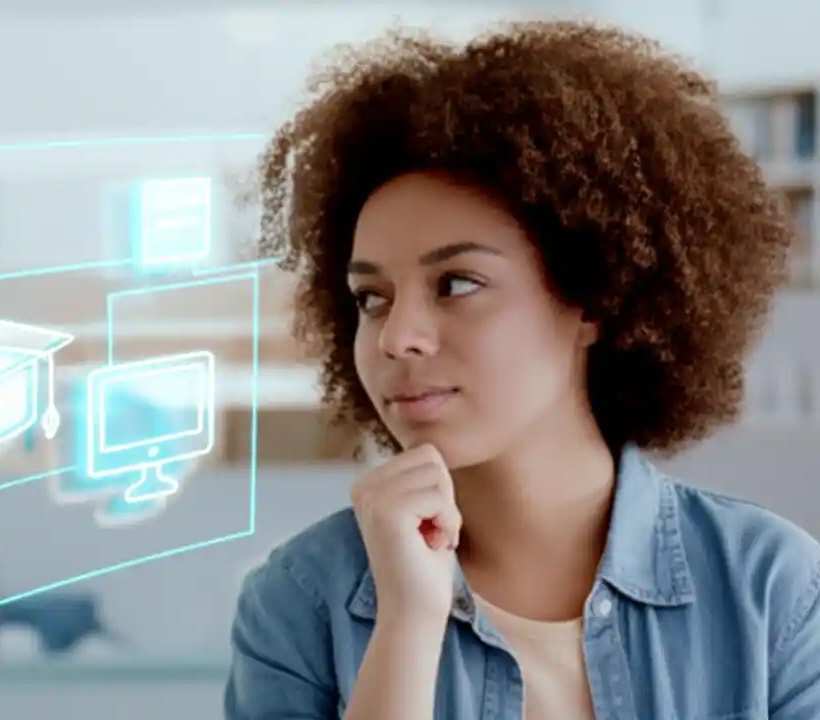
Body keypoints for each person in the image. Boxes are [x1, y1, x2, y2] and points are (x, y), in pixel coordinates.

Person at [223, 19, 820, 720]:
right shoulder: (298, 603)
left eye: (457, 284)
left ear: (594, 299)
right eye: (371, 298)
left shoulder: (772, 590)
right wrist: (407, 625)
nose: (397, 338)